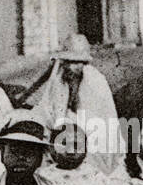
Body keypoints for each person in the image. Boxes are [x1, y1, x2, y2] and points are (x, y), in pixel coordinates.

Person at [25, 33, 122, 174]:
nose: (75, 67)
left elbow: (103, 118)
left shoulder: (95, 81)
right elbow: (47, 111)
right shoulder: (58, 81)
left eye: (79, 63)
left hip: (91, 144)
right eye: (70, 62)